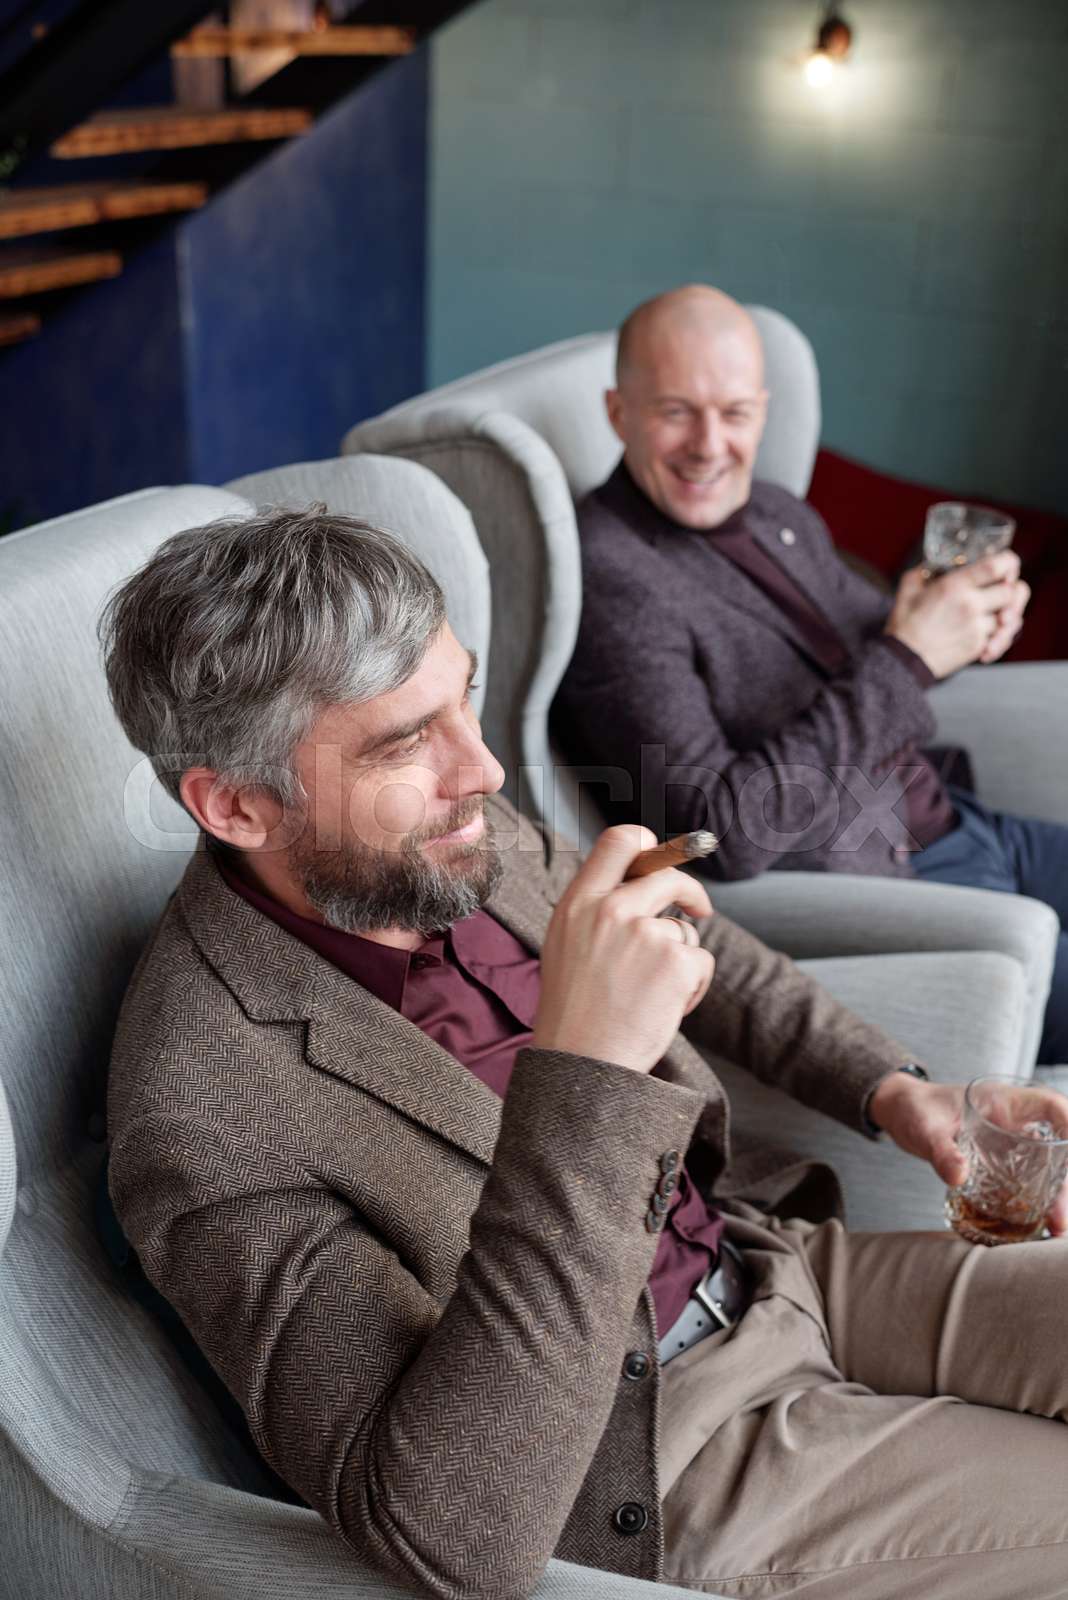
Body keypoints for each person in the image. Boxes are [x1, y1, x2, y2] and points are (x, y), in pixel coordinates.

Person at [104, 508, 1068, 1600]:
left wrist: (894, 1090)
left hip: (775, 1265)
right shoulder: (202, 1111)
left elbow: (691, 936)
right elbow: (449, 1531)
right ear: (235, 803)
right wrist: (590, 1076)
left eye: (461, 694)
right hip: (663, 1448)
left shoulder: (452, 829)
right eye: (403, 741)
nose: (486, 766)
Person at [552, 283, 1068, 1064]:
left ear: (763, 410)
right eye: (675, 411)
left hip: (956, 816)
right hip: (900, 872)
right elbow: (718, 830)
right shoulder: (616, 576)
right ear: (620, 413)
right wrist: (914, 653)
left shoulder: (774, 512)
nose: (709, 445)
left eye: (734, 413)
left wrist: (958, 617)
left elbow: (883, 643)